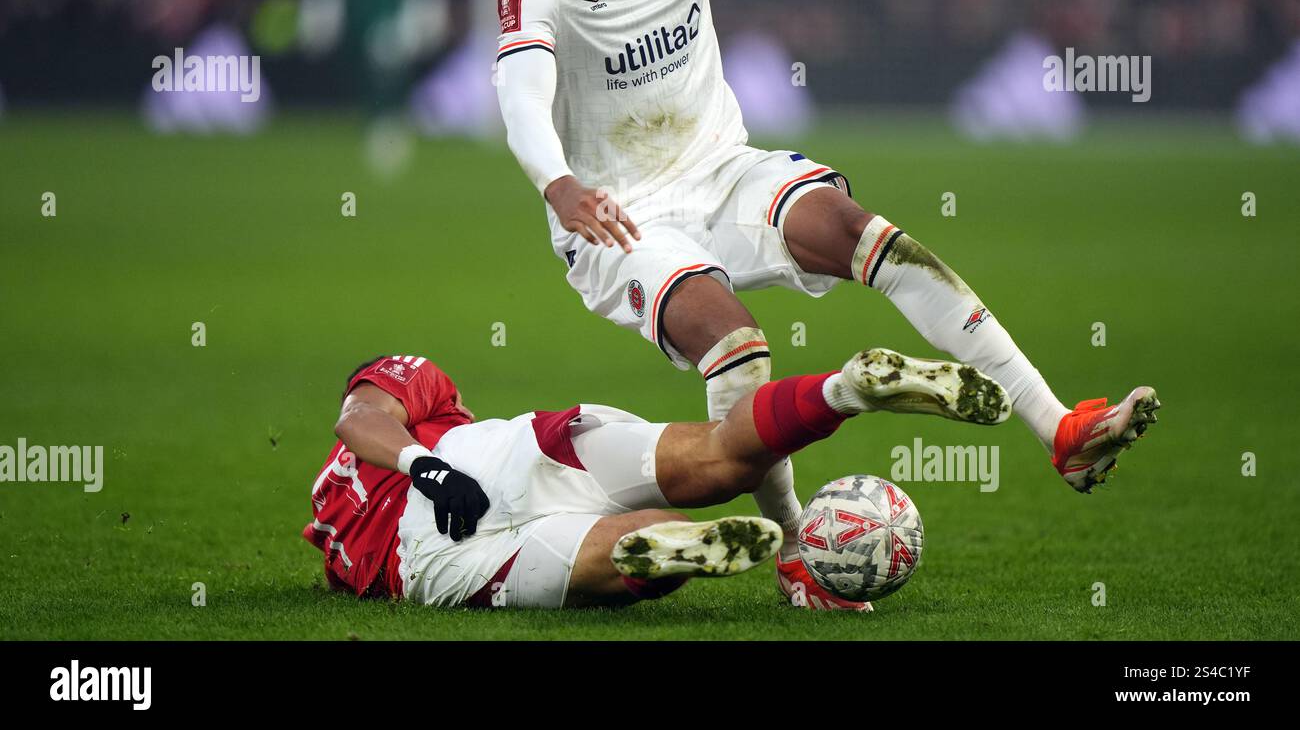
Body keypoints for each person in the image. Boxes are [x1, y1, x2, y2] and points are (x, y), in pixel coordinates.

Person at [492, 0, 1162, 610]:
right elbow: (522, 90)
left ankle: (1061, 432)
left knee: (868, 235)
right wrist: (557, 184)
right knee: (732, 338)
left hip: (722, 171)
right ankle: (800, 551)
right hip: (615, 216)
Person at [306, 345, 1148, 610]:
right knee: (715, 455)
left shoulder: (334, 517)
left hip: (430, 548)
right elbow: (365, 412)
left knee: (589, 562)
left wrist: (419, 465)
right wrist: (429, 456)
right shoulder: (413, 385)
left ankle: (675, 553)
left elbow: (355, 423)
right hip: (502, 452)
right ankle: (841, 390)